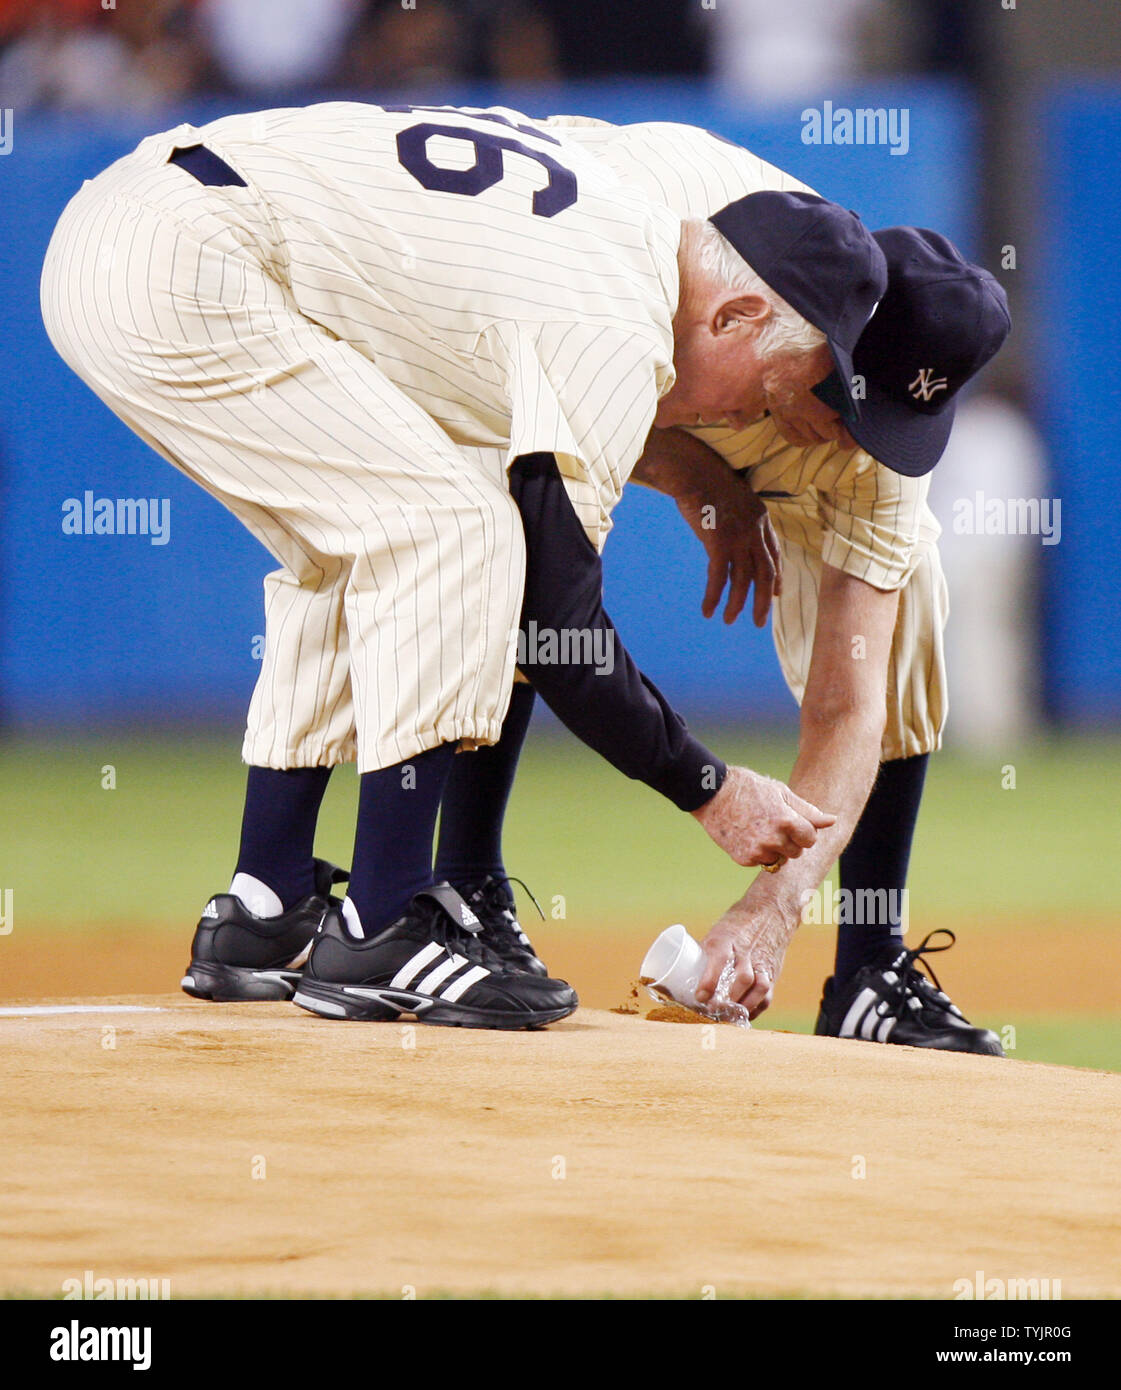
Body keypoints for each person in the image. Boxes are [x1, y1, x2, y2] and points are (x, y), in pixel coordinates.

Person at [40, 102, 869, 1029]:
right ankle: (387, 921)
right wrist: (707, 787)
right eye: (768, 387)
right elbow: (553, 627)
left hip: (141, 230)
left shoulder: (612, 237)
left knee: (363, 540)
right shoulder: (623, 319)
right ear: (737, 312)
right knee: (456, 530)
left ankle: (264, 904)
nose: (745, 416)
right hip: (190, 258)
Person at [549, 117, 1011, 1054]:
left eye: (890, 425)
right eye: (851, 404)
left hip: (761, 436)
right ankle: (462, 888)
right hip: (594, 334)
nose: (857, 438)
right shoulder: (686, 244)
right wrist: (696, 477)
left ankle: (867, 969)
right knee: (516, 547)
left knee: (904, 610)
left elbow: (847, 714)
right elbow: (549, 384)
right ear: (826, 341)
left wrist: (769, 909)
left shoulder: (869, 461)